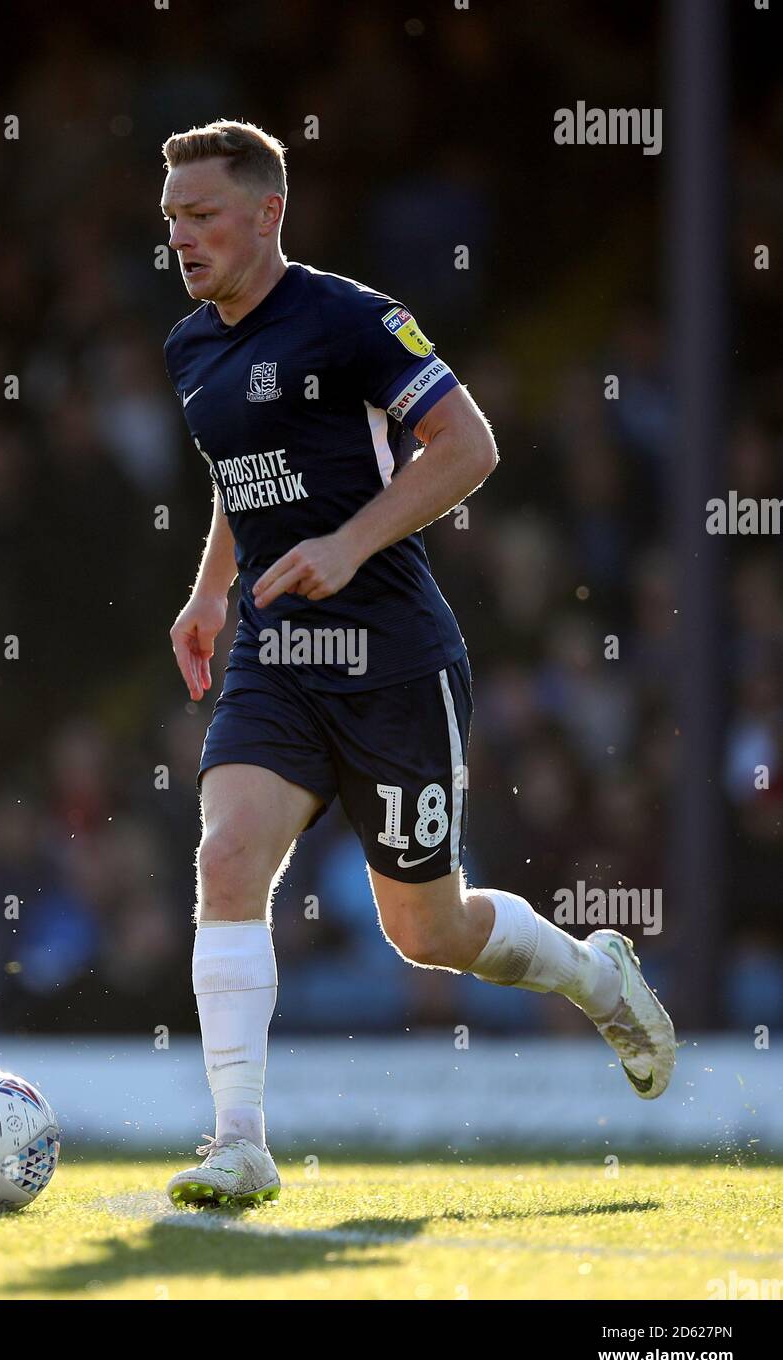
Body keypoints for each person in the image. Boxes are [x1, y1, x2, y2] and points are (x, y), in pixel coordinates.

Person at [161, 120, 674, 1209]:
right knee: (225, 858)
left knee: (423, 930)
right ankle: (239, 1142)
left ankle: (596, 975)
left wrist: (348, 544)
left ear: (267, 213)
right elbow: (237, 471)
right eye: (170, 219)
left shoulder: (353, 320)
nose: (182, 238)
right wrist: (212, 588)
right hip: (275, 652)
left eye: (202, 215)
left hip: (393, 659)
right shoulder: (191, 347)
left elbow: (469, 445)